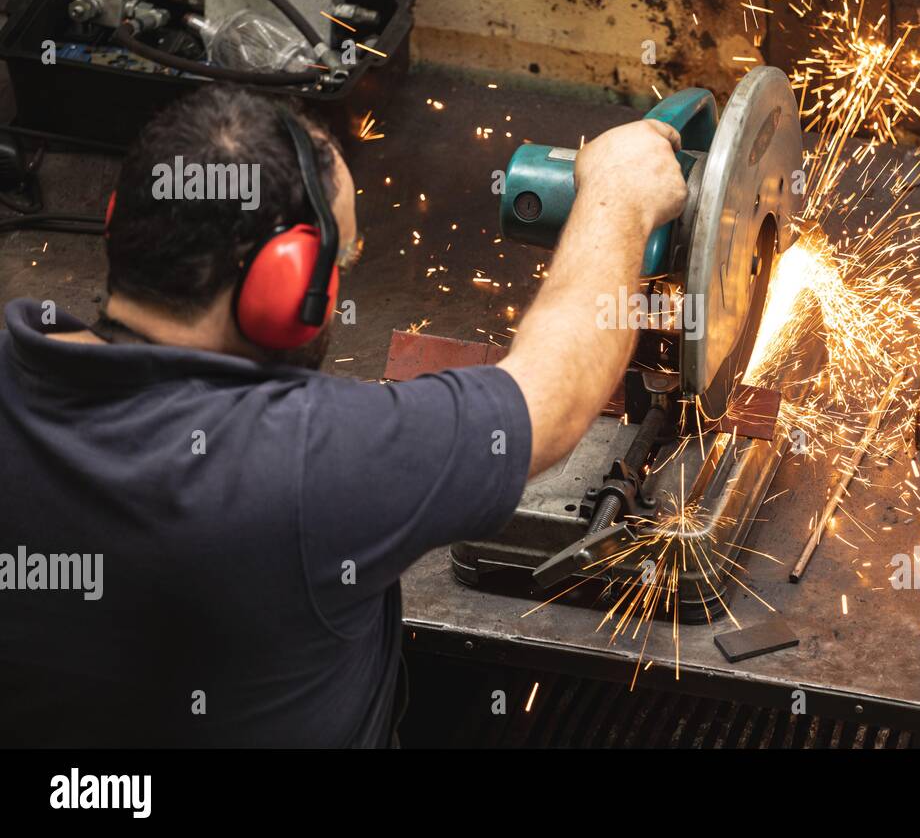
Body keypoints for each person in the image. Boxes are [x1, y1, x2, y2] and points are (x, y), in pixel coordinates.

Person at [0, 84, 686, 746]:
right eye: (339, 267)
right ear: (285, 285)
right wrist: (617, 199)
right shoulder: (305, 461)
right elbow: (553, 398)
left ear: (120, 222)